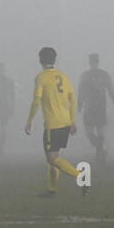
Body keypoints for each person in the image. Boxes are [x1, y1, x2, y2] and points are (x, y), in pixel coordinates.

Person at [25, 46, 87, 198]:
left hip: (53, 124)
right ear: (54, 59)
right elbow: (72, 99)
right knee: (53, 157)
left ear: (40, 60)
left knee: (52, 158)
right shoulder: (63, 76)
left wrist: (29, 121)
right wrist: (72, 121)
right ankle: (51, 189)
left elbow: (36, 100)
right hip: (65, 122)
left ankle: (81, 176)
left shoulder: (41, 77)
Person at [77, 53, 114, 162]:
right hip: (101, 106)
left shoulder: (85, 75)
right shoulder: (105, 75)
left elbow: (81, 91)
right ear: (98, 61)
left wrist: (79, 104)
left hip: (89, 106)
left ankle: (100, 151)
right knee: (100, 130)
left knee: (89, 131)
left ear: (89, 61)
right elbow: (111, 90)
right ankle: (100, 152)